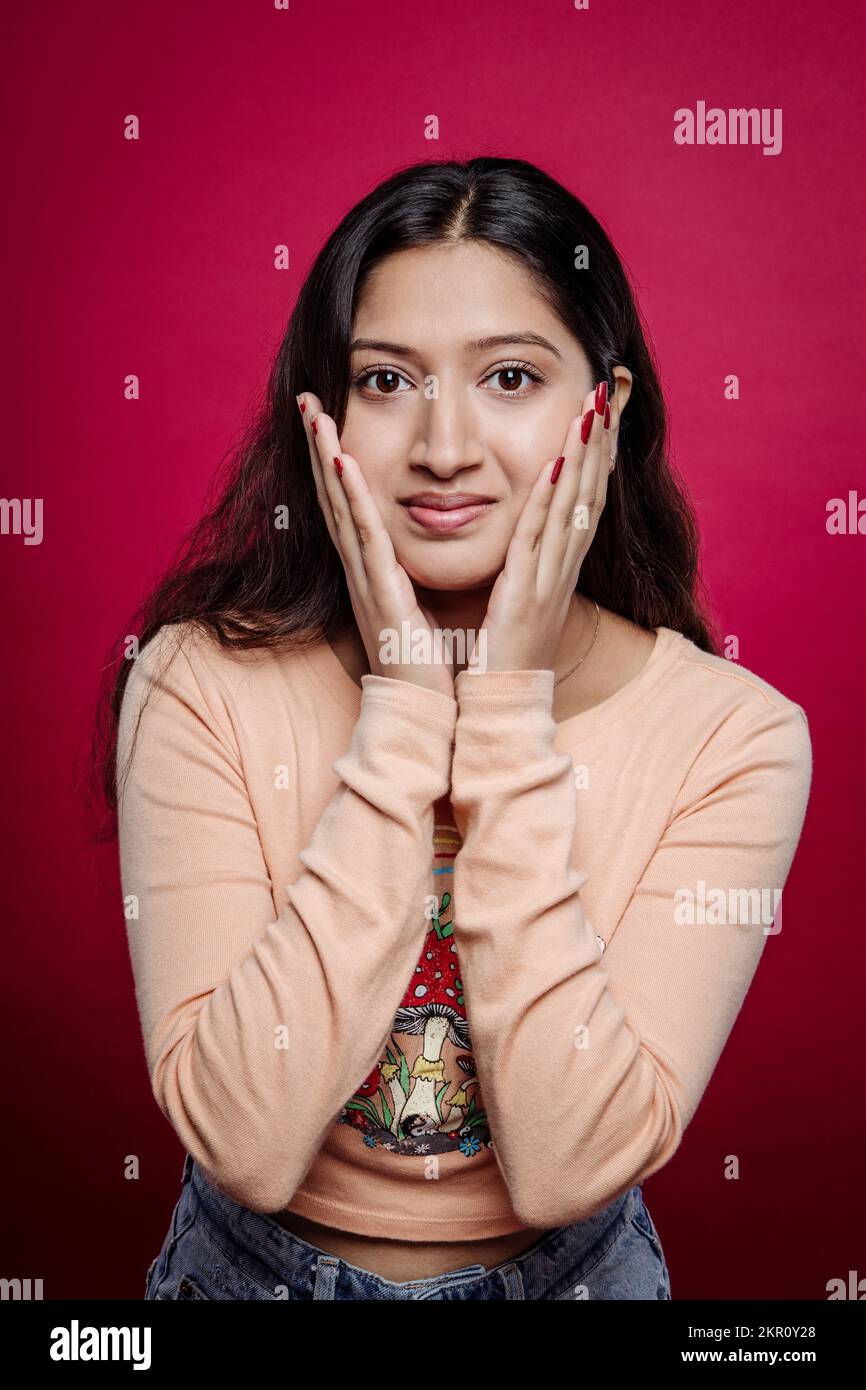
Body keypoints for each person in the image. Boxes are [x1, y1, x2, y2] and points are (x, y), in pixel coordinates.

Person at [93, 156, 812, 1300]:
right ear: (320, 415)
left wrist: (507, 706)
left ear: (606, 412)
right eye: (384, 381)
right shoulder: (197, 681)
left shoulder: (734, 737)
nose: (441, 446)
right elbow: (247, 1141)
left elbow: (568, 1166)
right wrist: (406, 704)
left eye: (510, 376)